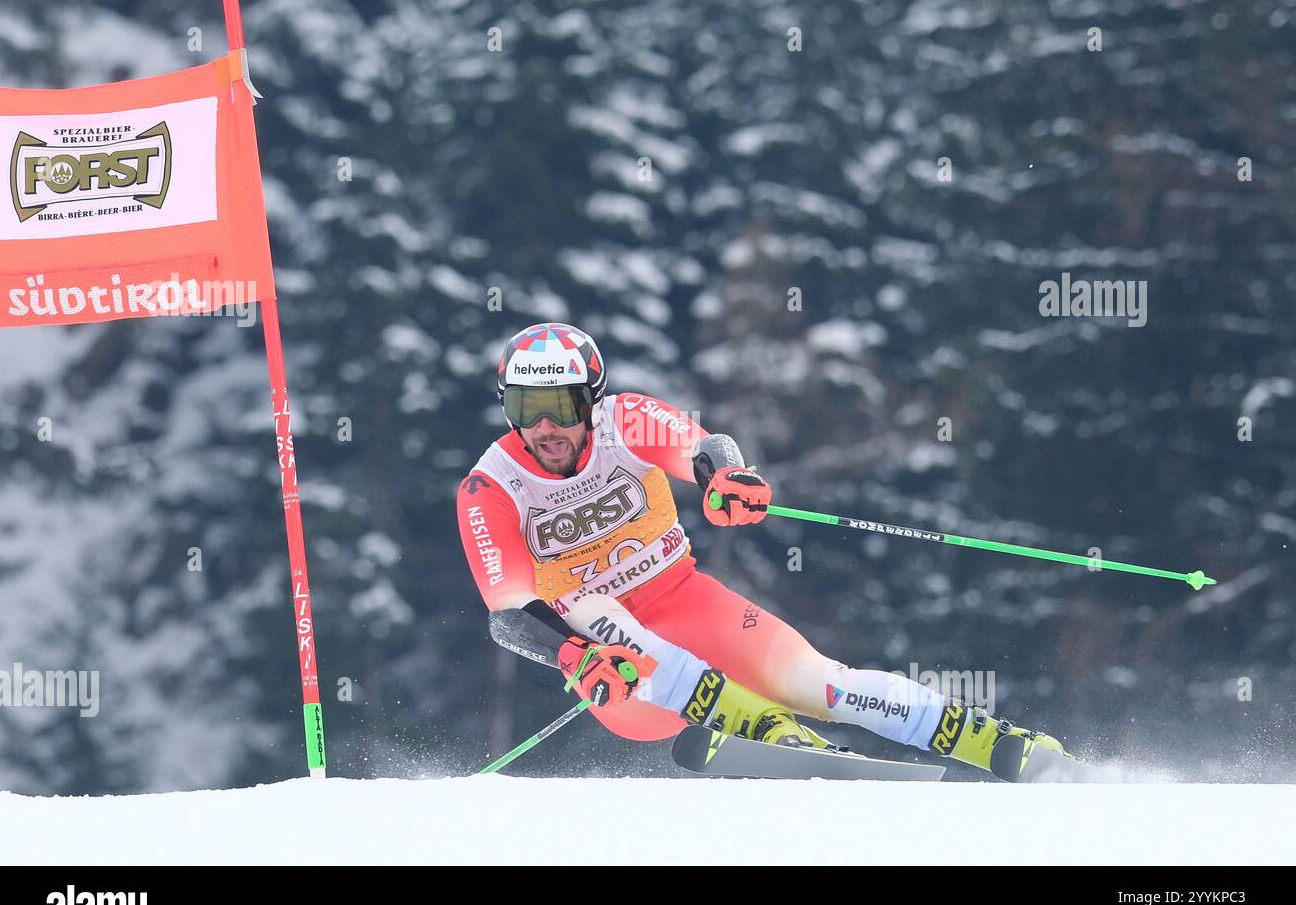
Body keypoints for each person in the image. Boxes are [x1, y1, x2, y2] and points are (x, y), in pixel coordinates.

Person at [457, 322, 1070, 780]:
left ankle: (996, 744)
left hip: (685, 598)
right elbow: (509, 613)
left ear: (590, 401)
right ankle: (773, 734)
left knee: (822, 683)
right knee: (593, 613)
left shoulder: (626, 420)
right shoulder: (490, 487)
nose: (543, 428)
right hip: (614, 670)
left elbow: (703, 446)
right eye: (524, 408)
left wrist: (725, 479)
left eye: (559, 406)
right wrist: (572, 655)